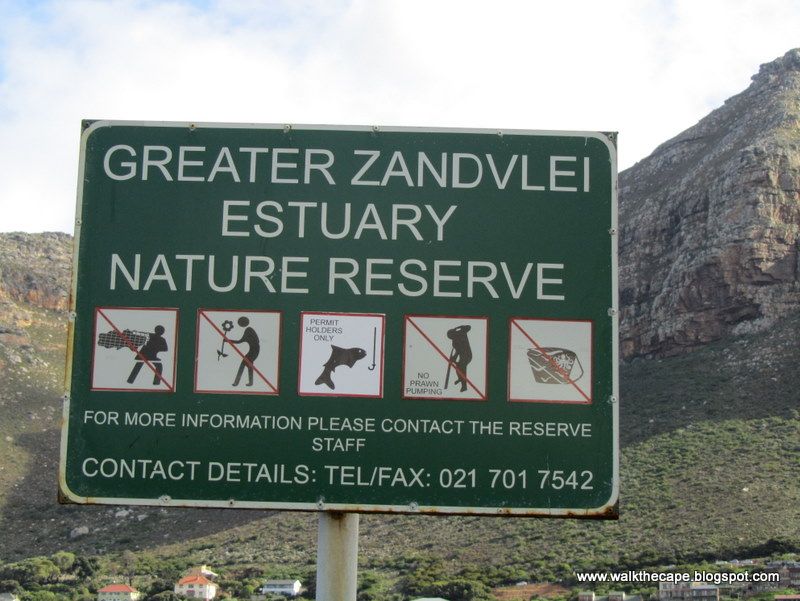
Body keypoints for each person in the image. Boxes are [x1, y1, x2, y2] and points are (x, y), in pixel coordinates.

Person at [230, 316, 260, 386]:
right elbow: (239, 341)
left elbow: (239, 341)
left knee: (244, 364)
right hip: (253, 351)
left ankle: (236, 382)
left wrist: (228, 341)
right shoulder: (247, 333)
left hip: (254, 351)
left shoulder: (248, 330)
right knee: (249, 365)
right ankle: (250, 382)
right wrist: (228, 341)